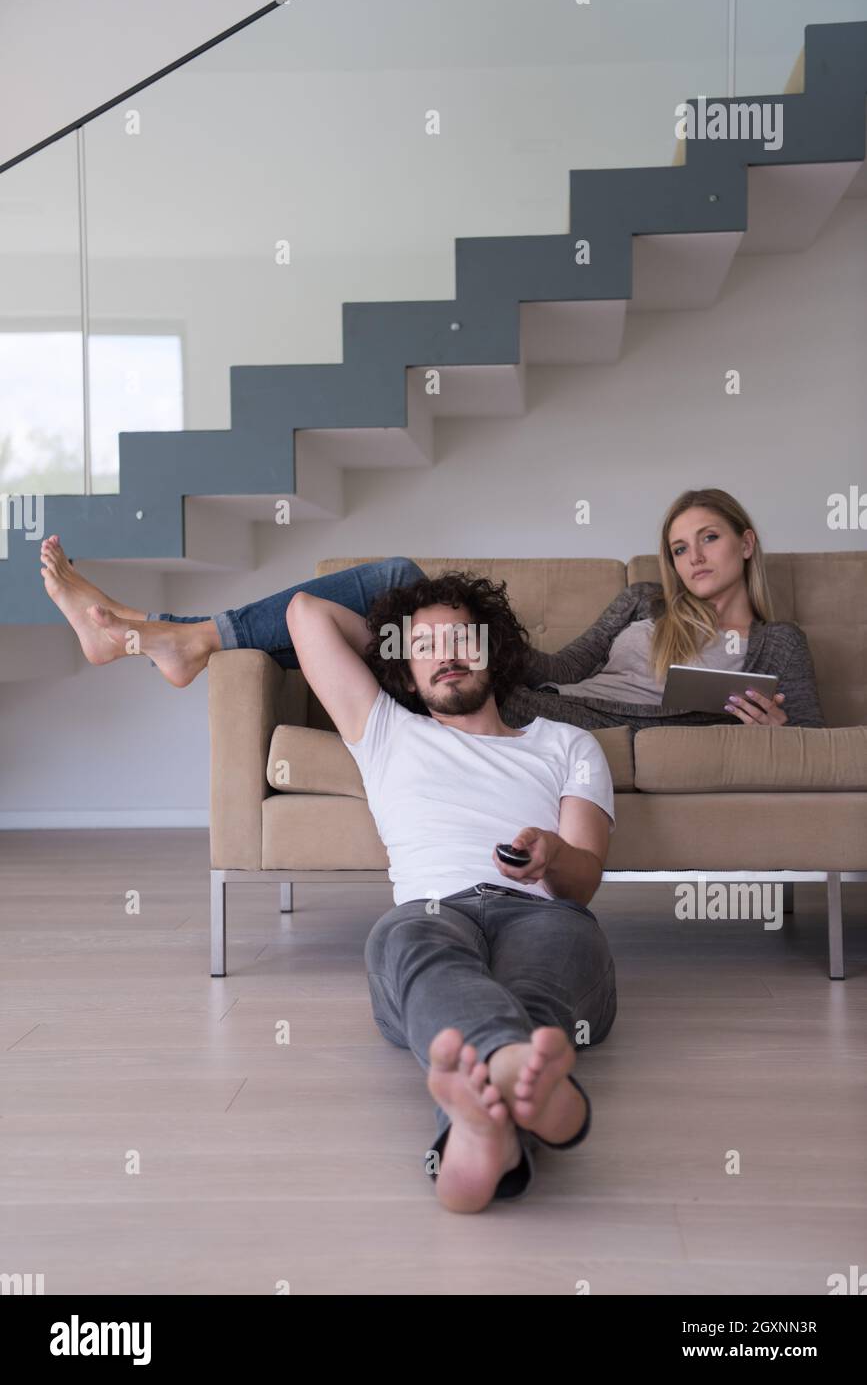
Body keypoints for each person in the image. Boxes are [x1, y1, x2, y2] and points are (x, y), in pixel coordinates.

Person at [285, 568, 617, 1211]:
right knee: (409, 939)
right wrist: (397, 640)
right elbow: (304, 613)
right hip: (431, 914)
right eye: (427, 647)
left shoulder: (567, 745)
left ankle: (478, 1132)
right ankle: (532, 1096)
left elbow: (585, 884)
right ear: (403, 670)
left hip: (541, 912)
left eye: (465, 640)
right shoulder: (384, 730)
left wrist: (551, 857)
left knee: (553, 953)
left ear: (495, 652)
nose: (448, 656)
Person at [38, 486, 824, 729]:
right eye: (680, 546)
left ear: (747, 544)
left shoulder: (776, 643)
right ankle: (176, 638)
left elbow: (817, 740)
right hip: (520, 691)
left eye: (709, 539)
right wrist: (492, 644)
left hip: (566, 726)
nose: (692, 559)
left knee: (371, 595)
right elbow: (565, 669)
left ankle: (167, 636)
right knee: (393, 579)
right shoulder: (642, 600)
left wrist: (776, 734)